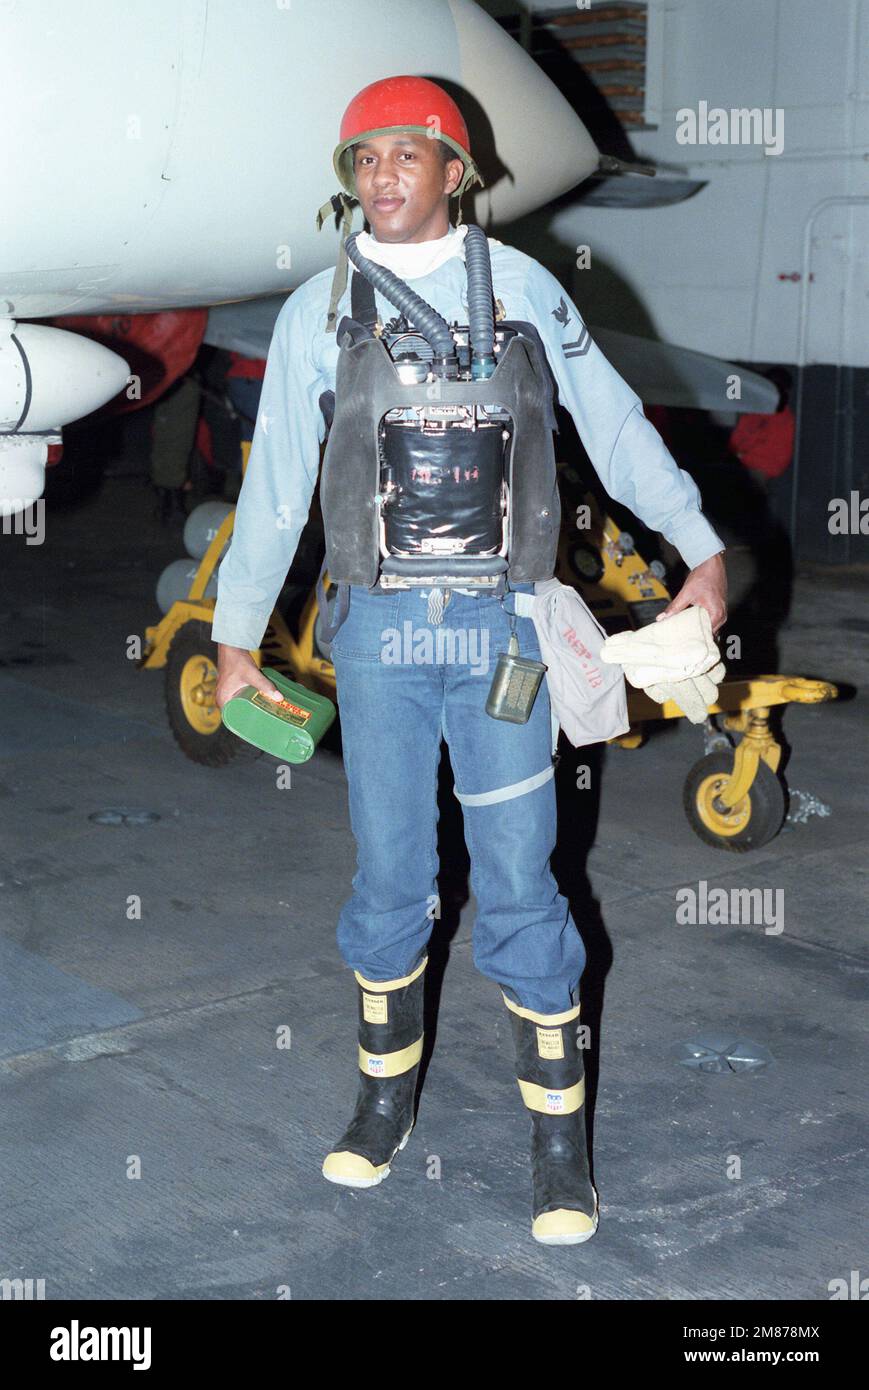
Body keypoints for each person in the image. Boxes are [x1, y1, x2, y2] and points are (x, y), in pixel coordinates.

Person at [212, 76, 727, 1245]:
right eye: (364, 159)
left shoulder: (532, 295)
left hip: (503, 636)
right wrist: (233, 637)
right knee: (389, 879)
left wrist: (697, 546)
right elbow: (277, 487)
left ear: (456, 171)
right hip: (381, 640)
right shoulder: (316, 313)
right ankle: (381, 1102)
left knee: (521, 884)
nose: (383, 176)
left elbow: (614, 426)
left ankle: (557, 1148)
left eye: (408, 154)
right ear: (347, 181)